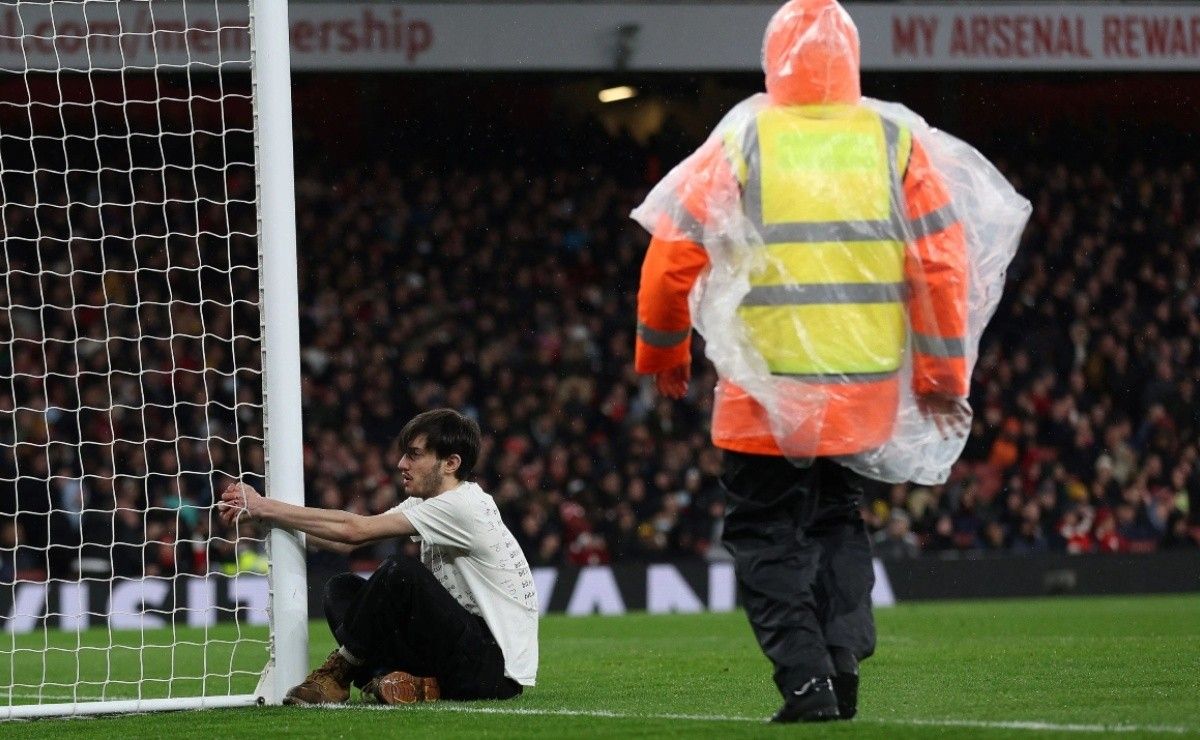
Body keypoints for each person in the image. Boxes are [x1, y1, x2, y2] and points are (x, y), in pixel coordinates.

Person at [633, 0, 980, 723]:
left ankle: (806, 680)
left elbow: (672, 253)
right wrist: (940, 376)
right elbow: (943, 264)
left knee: (765, 535)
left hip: (767, 389)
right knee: (836, 522)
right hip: (862, 389)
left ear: (773, 57)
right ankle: (841, 665)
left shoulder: (746, 136)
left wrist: (664, 349)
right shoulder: (894, 139)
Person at [218, 408, 538, 705]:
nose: (401, 464)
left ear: (451, 463)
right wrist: (262, 518)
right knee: (342, 590)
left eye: (414, 454)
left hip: (493, 670)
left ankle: (340, 672)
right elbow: (345, 543)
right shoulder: (429, 502)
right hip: (457, 654)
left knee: (402, 571)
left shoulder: (462, 505)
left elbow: (354, 530)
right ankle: (397, 682)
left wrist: (264, 505)